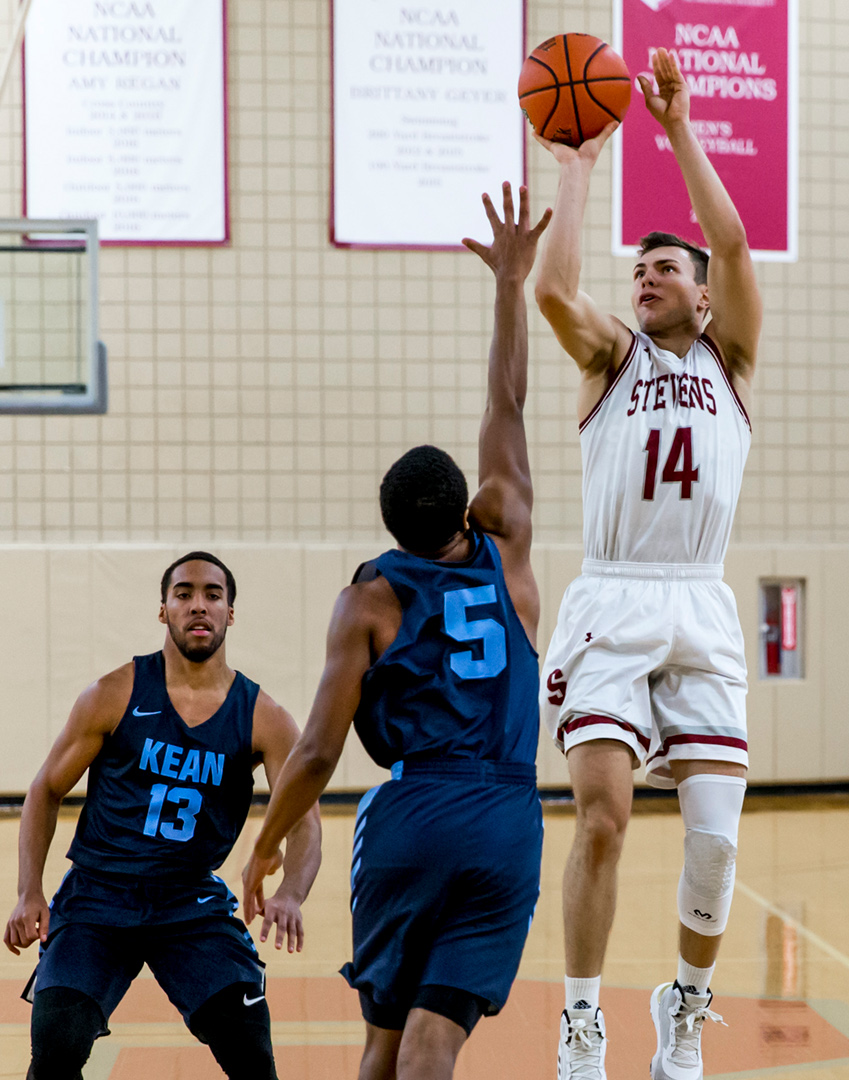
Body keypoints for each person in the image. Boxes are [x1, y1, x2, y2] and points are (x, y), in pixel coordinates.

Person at [236, 184, 551, 1080]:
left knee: (383, 1038)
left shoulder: (369, 599)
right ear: (467, 504)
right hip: (505, 815)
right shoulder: (509, 545)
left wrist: (265, 849)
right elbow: (508, 402)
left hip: (414, 812)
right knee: (436, 1037)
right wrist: (507, 283)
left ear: (390, 525)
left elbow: (315, 756)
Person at [531, 46, 760, 1080]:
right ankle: (582, 1019)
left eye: (668, 269)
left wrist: (673, 127)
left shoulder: (732, 359)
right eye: (642, 271)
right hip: (615, 597)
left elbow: (737, 241)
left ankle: (686, 1006)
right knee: (607, 818)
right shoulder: (609, 357)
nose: (649, 277)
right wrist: (579, 159)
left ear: (704, 300)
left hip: (701, 606)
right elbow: (552, 287)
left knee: (714, 842)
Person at [5, 551, 322, 1080]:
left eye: (213, 595)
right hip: (98, 896)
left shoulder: (263, 715)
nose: (198, 605)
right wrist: (29, 890)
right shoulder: (114, 693)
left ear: (230, 613)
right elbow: (46, 789)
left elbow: (306, 819)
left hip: (189, 899)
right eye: (184, 593)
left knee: (251, 1052)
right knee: (57, 1043)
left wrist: (291, 892)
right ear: (163, 610)